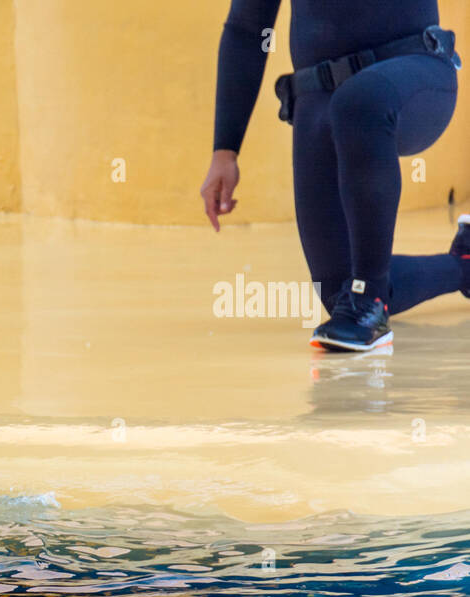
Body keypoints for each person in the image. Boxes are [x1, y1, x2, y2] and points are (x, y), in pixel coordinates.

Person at [200, 0, 470, 352]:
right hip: (321, 95)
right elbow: (248, 29)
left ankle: (369, 301)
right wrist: (225, 150)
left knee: (360, 100)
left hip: (415, 72)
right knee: (338, 290)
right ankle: (462, 265)